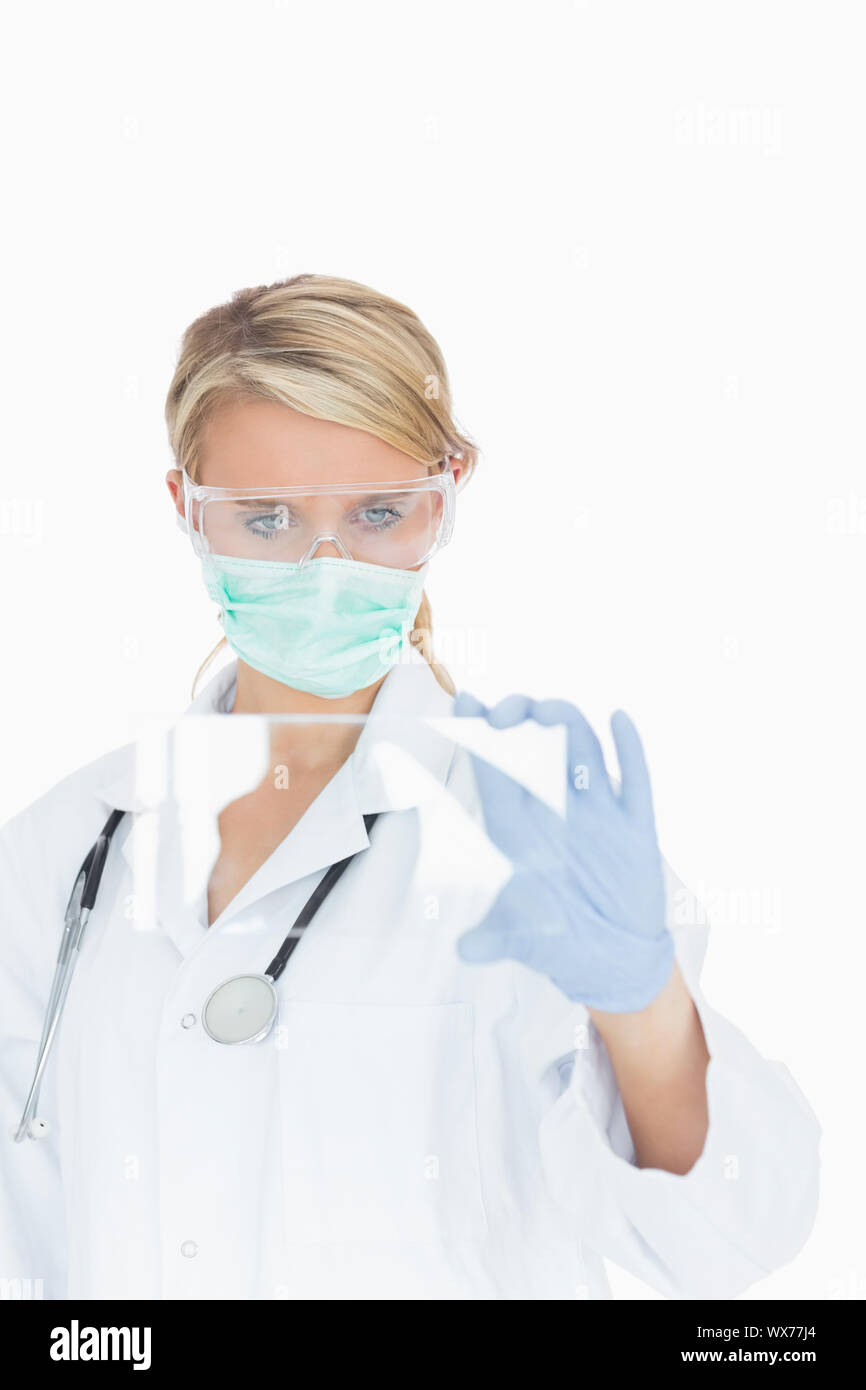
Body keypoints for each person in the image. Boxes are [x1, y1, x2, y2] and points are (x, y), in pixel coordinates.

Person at [0, 274, 820, 1301]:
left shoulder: (532, 837)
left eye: (380, 511)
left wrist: (644, 1005)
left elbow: (730, 1238)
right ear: (184, 506)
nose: (327, 564)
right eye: (266, 521)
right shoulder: (62, 856)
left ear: (448, 488)